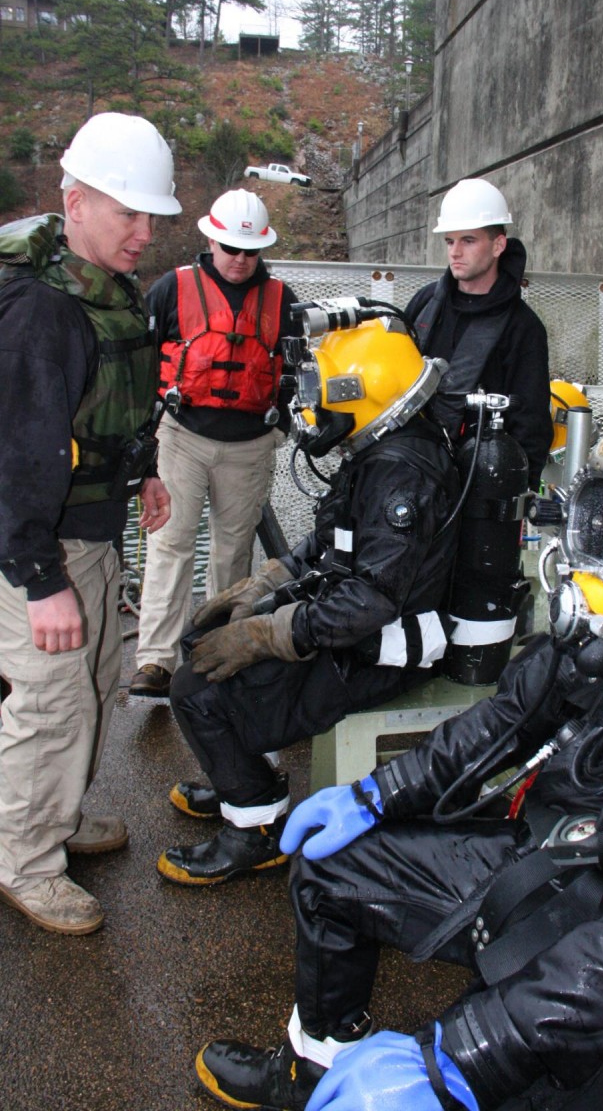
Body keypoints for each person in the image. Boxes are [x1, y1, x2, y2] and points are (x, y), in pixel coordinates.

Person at [192, 396, 603, 1111]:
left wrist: (458, 1058)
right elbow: (510, 714)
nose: (589, 564)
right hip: (565, 863)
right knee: (330, 869)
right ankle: (316, 1067)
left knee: (512, 1069)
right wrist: (377, 794)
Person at [158, 312, 462, 884]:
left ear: (363, 390)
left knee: (197, 689)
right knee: (204, 638)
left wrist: (267, 634)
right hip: (356, 630)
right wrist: (265, 584)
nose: (314, 408)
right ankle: (241, 775)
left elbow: (372, 599)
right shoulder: (381, 449)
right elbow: (333, 542)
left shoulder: (401, 473)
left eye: (325, 392)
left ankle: (256, 827)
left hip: (381, 651)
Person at [0, 112, 180, 935]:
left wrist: (144, 472)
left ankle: (57, 816)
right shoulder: (40, 313)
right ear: (75, 204)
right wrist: (41, 582)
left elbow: (112, 407)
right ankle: (25, 861)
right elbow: (16, 459)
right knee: (51, 705)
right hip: (41, 544)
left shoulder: (104, 290)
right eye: (128, 213)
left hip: (91, 532)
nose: (145, 233)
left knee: (97, 684)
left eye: (151, 216)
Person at [130, 189, 297, 698]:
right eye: (231, 248)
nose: (240, 260)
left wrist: (281, 427)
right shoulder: (171, 289)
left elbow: (296, 369)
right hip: (181, 437)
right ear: (210, 240)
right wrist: (144, 443)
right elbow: (142, 364)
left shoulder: (284, 300)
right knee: (171, 545)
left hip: (249, 444)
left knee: (232, 553)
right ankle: (155, 660)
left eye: (251, 251)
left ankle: (211, 656)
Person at [405, 177, 553, 487]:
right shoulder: (426, 304)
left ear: (498, 245)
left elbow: (531, 426)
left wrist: (516, 497)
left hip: (477, 487)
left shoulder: (522, 327)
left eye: (468, 240)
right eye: (450, 241)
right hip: (413, 473)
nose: (455, 252)